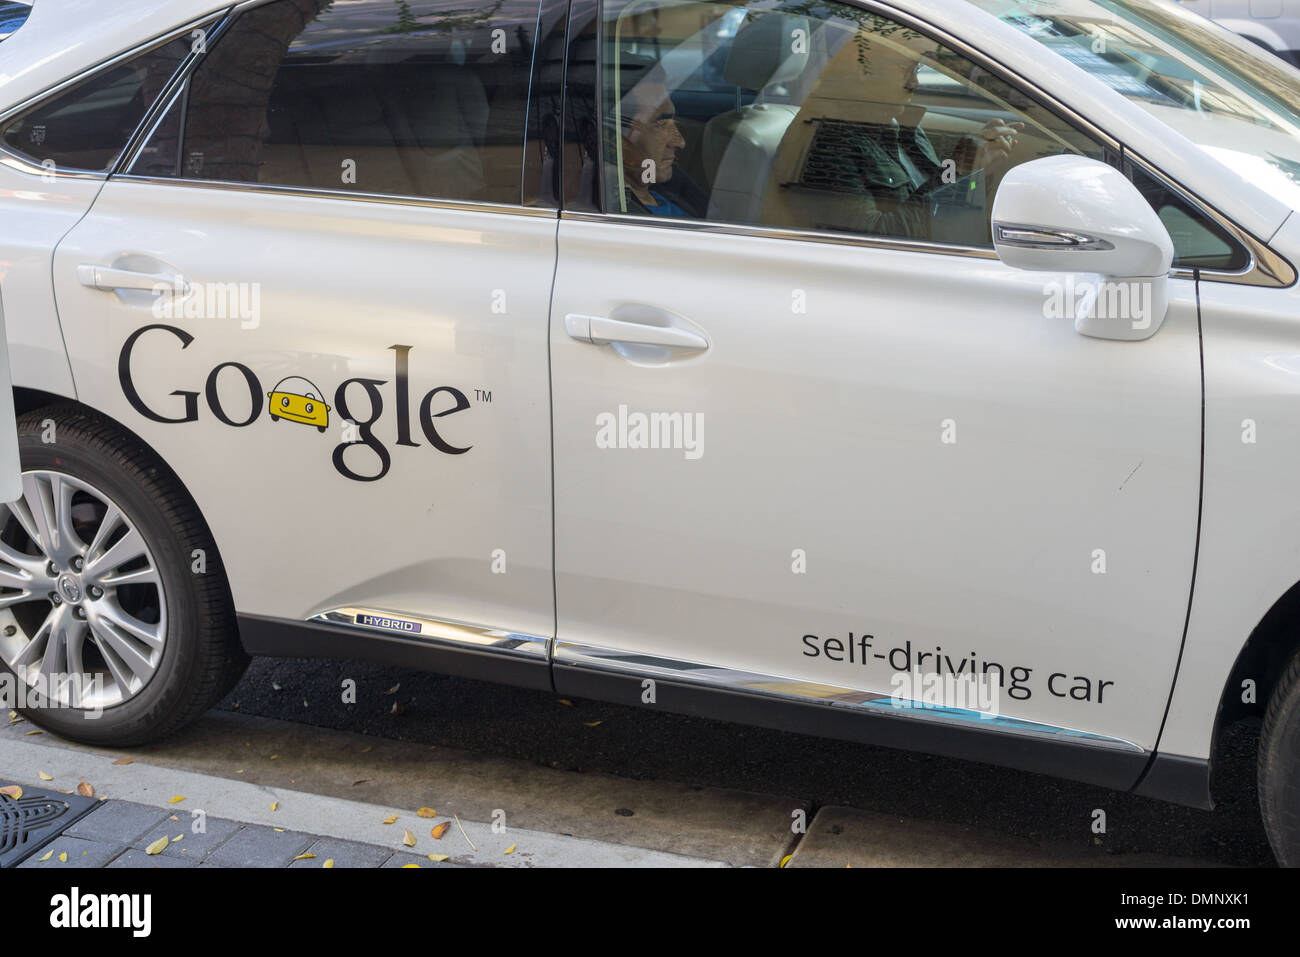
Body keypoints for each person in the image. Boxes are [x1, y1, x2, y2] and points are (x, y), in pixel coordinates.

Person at [616, 73, 707, 217]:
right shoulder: (622, 215)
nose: (680, 143)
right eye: (658, 123)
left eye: (672, 122)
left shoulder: (673, 182)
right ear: (617, 139)